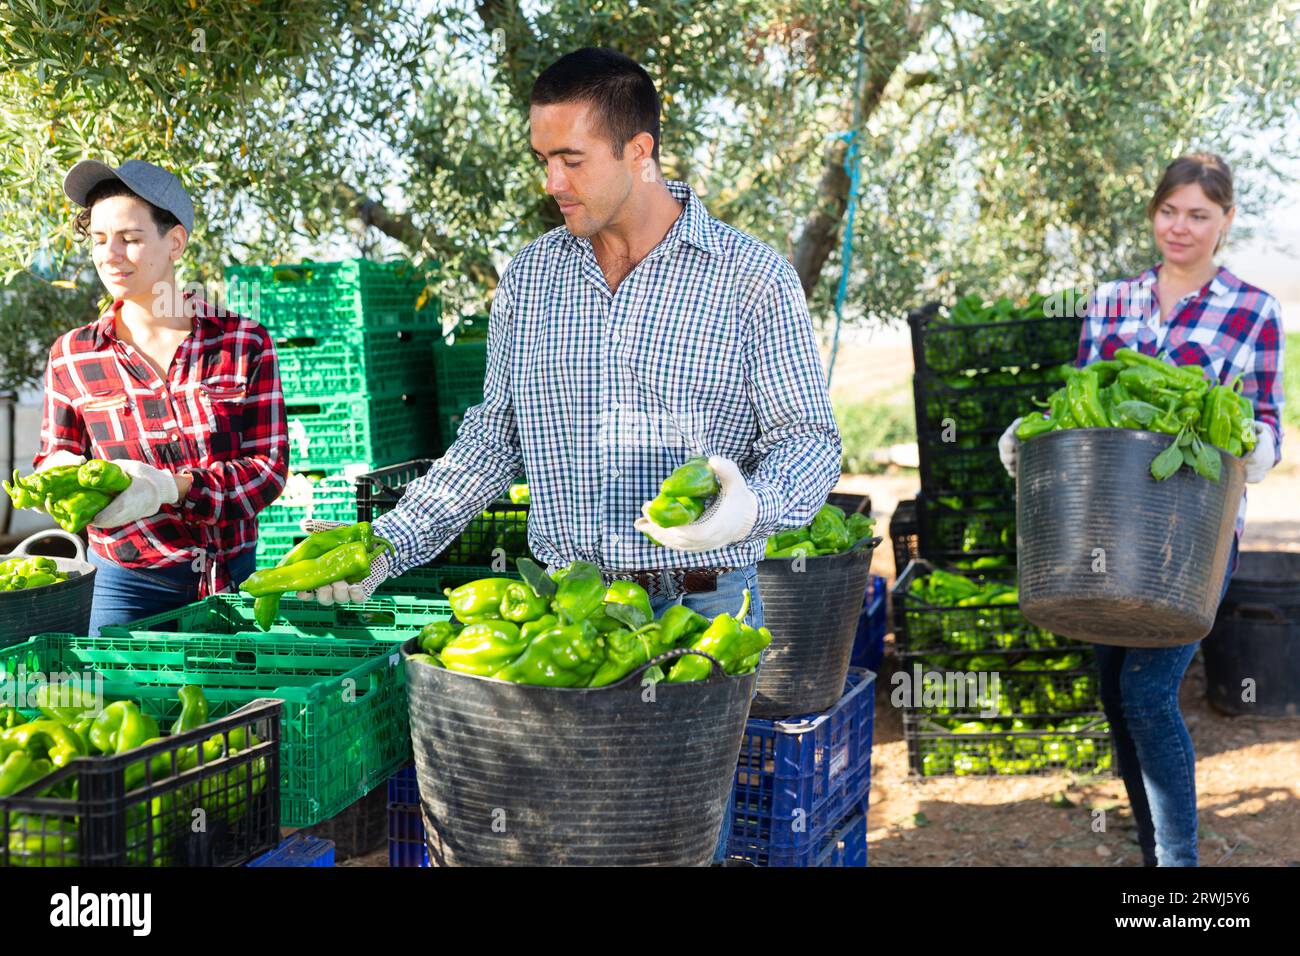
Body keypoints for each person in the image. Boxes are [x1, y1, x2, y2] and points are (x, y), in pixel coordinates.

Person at [296, 48, 842, 862]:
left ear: (639, 150)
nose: (552, 181)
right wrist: (387, 548)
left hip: (697, 610)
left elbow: (810, 439)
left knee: (666, 846)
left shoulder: (749, 278)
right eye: (542, 159)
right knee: (547, 845)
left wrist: (751, 505)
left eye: (570, 159)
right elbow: (491, 441)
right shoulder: (531, 280)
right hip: (558, 612)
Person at [998, 152, 1284, 866]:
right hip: (1104, 531)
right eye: (1168, 211)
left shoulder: (1253, 310)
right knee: (1116, 695)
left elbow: (1268, 421)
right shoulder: (1112, 302)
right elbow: (1085, 405)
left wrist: (1253, 444)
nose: (1179, 228)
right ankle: (1155, 842)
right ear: (1152, 212)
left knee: (1149, 691)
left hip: (1192, 541)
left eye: (1198, 215)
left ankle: (1178, 864)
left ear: (1226, 220)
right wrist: (1035, 432)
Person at [35, 159, 289, 635]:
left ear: (174, 242)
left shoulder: (242, 342)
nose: (109, 255)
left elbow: (268, 471)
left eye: (129, 239)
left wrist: (175, 487)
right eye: (98, 240)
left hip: (229, 579)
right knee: (119, 702)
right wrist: (59, 476)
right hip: (122, 583)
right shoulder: (72, 355)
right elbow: (57, 452)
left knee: (227, 708)